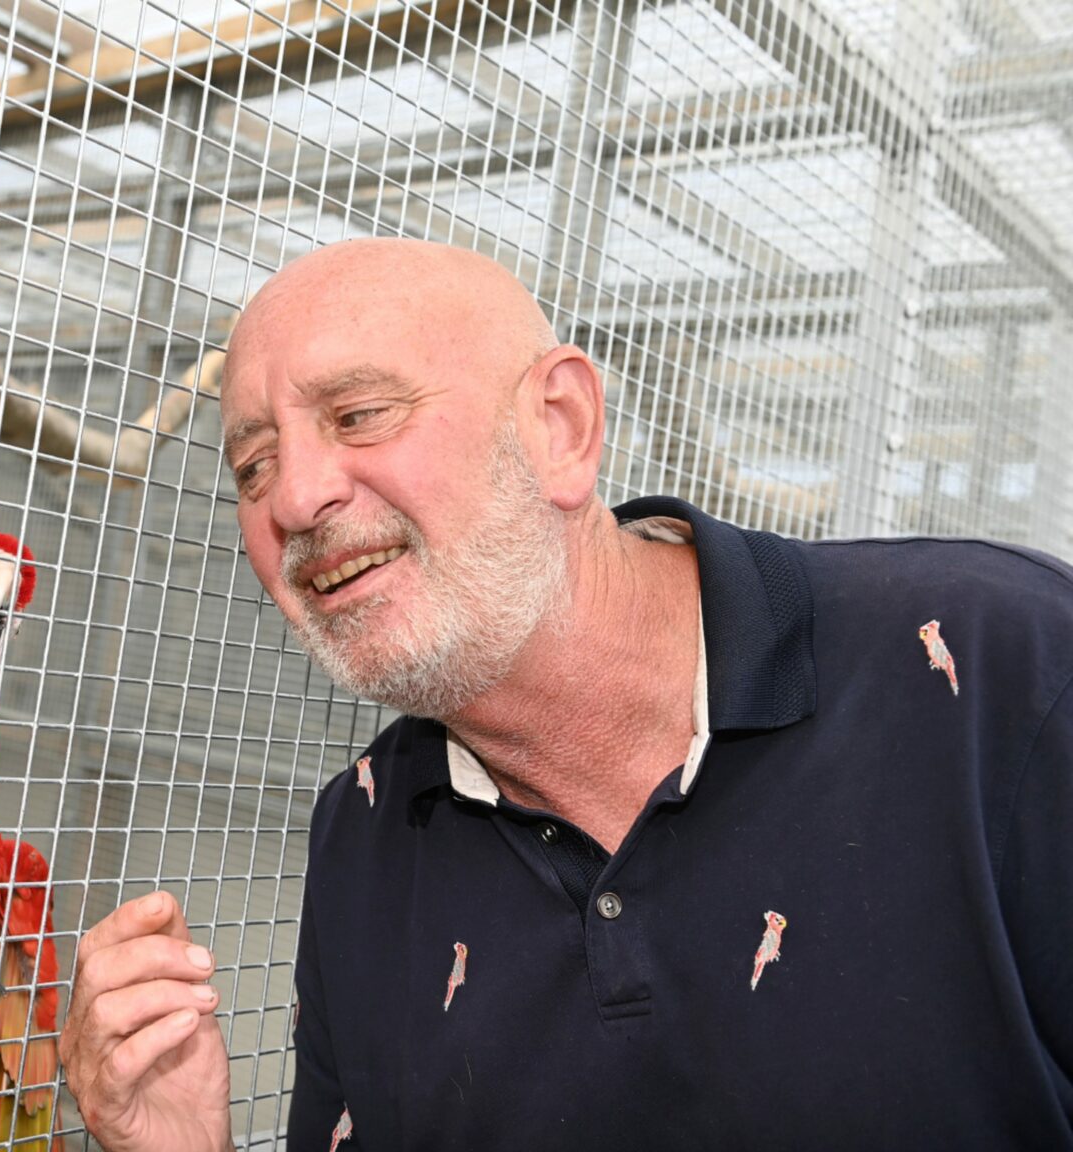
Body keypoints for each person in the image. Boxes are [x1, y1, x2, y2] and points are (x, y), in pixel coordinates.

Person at [57, 238, 1073, 1149]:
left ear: (560, 426)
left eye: (358, 414)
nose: (294, 497)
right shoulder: (364, 834)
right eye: (251, 463)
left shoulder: (998, 665)